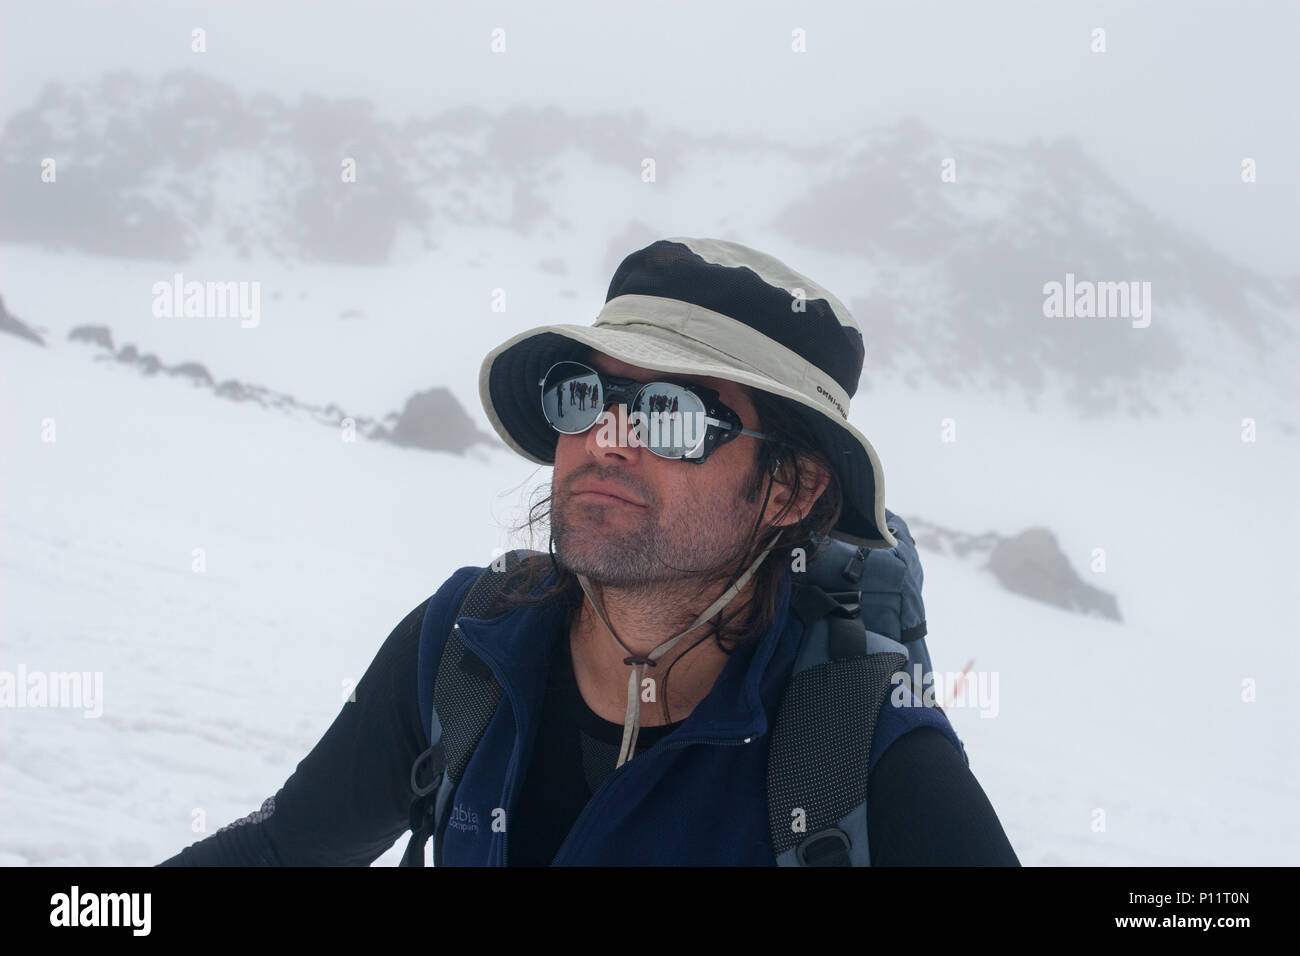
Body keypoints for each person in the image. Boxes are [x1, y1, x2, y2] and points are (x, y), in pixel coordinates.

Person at [159, 237, 1019, 866]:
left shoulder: (863, 755)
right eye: (585, 395)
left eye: (670, 414)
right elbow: (284, 849)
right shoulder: (466, 646)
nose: (606, 438)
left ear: (790, 490)